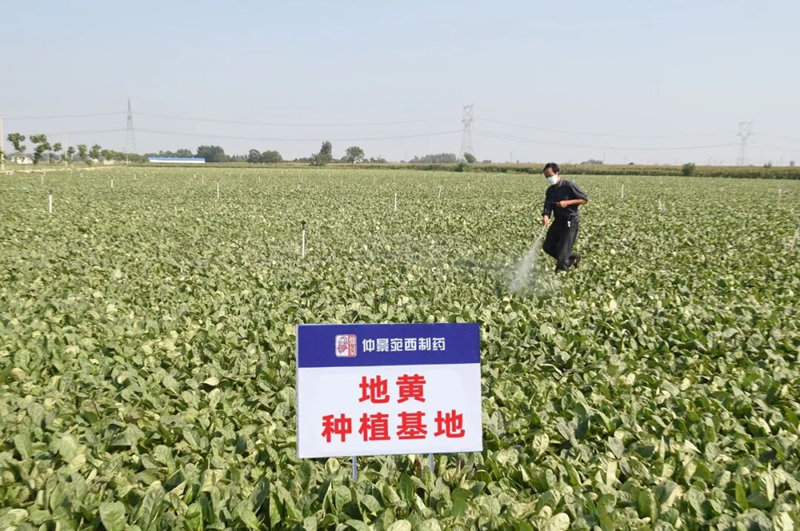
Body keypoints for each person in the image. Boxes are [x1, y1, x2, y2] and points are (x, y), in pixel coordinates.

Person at [541, 163, 589, 272]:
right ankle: (571, 257)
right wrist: (546, 216)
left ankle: (562, 277)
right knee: (547, 246)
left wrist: (567, 202)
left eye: (550, 175)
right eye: (546, 177)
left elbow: (584, 199)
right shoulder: (550, 190)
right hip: (558, 220)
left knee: (563, 254)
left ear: (558, 174)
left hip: (570, 221)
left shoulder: (569, 186)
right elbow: (547, 205)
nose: (549, 178)